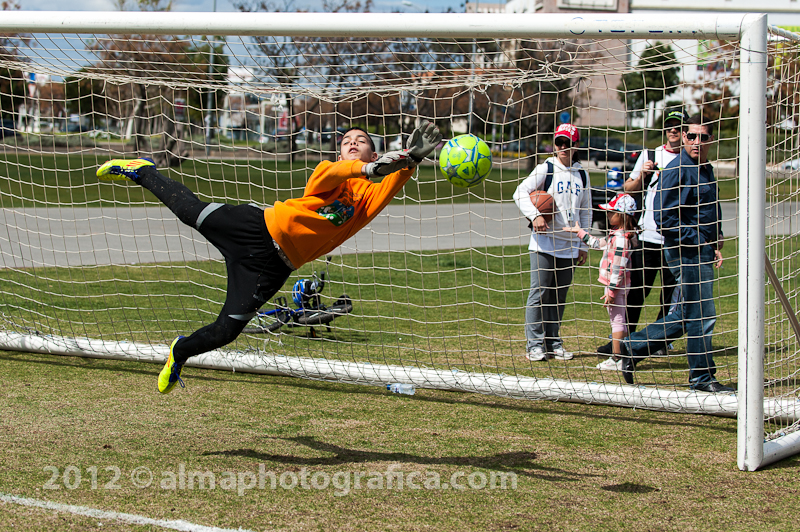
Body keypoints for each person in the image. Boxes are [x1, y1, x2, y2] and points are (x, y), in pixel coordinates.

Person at [96, 122, 442, 394]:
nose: (353, 142)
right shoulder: (329, 173)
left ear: (373, 152)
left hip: (273, 268)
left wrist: (412, 158)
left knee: (226, 331)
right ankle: (142, 170)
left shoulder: (368, 198)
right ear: (340, 154)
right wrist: (368, 170)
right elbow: (335, 174)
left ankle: (179, 352)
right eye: (347, 140)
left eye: (361, 141)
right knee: (190, 211)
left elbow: (391, 181)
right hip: (256, 228)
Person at [619, 114, 733, 393]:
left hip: (701, 250)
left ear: (711, 140)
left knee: (684, 316)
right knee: (703, 316)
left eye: (703, 137)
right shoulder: (676, 168)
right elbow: (663, 217)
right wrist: (699, 241)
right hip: (685, 252)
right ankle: (702, 379)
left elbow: (709, 206)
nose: (697, 142)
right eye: (691, 136)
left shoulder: (705, 168)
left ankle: (632, 346)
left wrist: (715, 238)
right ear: (683, 137)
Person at [596, 109, 687, 357]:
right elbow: (629, 188)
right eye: (669, 126)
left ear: (685, 131)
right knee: (636, 291)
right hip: (647, 237)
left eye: (678, 127)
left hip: (675, 238)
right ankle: (623, 340)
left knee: (670, 294)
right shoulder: (650, 154)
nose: (673, 131)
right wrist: (643, 175)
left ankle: (659, 342)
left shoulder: (689, 158)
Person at [513, 123, 591, 362]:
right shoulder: (545, 168)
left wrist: (584, 244)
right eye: (559, 142)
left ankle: (553, 342)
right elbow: (519, 192)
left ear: (576, 145)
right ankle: (534, 344)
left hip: (569, 245)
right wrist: (535, 215)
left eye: (568, 143)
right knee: (539, 293)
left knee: (559, 296)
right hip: (544, 243)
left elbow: (586, 211)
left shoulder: (582, 174)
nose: (563, 147)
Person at [563, 193, 638, 369]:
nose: (608, 215)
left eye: (612, 212)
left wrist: (611, 291)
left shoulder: (621, 239)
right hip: (616, 286)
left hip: (617, 287)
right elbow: (599, 244)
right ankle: (622, 355)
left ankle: (617, 358)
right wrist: (581, 233)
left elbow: (618, 268)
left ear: (622, 215)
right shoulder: (617, 235)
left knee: (617, 321)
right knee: (619, 320)